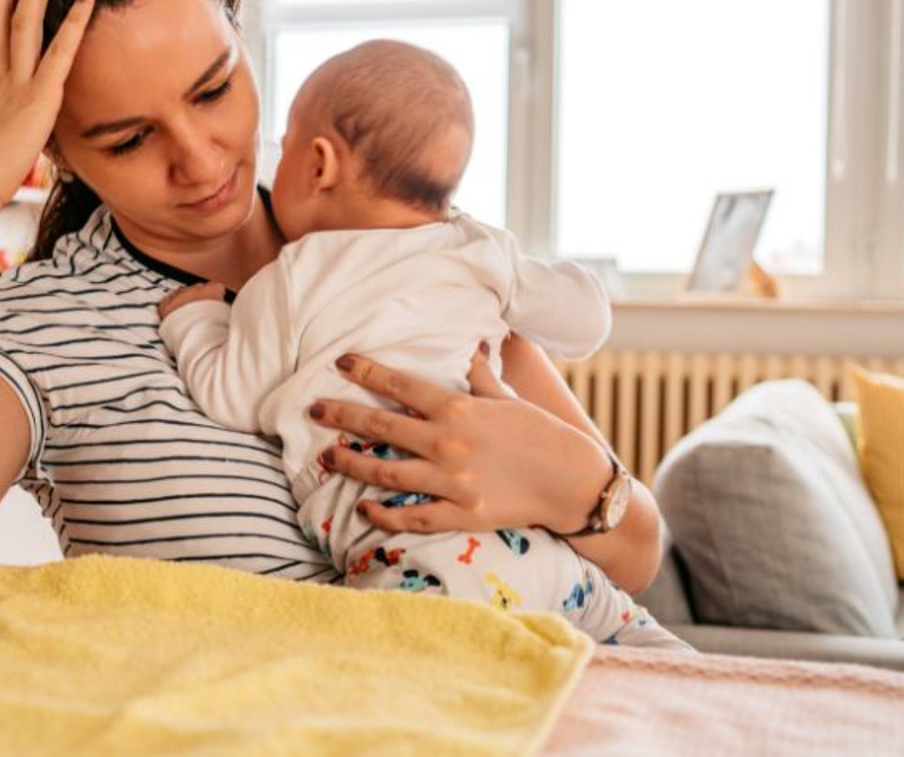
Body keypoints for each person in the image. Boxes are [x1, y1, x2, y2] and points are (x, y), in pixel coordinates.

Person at [0, 0, 665, 606]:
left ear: (243, 37)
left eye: (214, 89)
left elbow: (639, 551)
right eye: (129, 138)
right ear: (53, 147)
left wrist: (576, 487)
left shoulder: (392, 238)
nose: (200, 160)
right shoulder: (46, 322)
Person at [156, 40, 689, 650]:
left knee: (397, 679)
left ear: (320, 164)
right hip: (549, 558)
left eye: (287, 141)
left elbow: (231, 394)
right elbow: (587, 323)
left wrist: (195, 321)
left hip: (429, 558)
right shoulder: (478, 247)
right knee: (677, 673)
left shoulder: (292, 276)